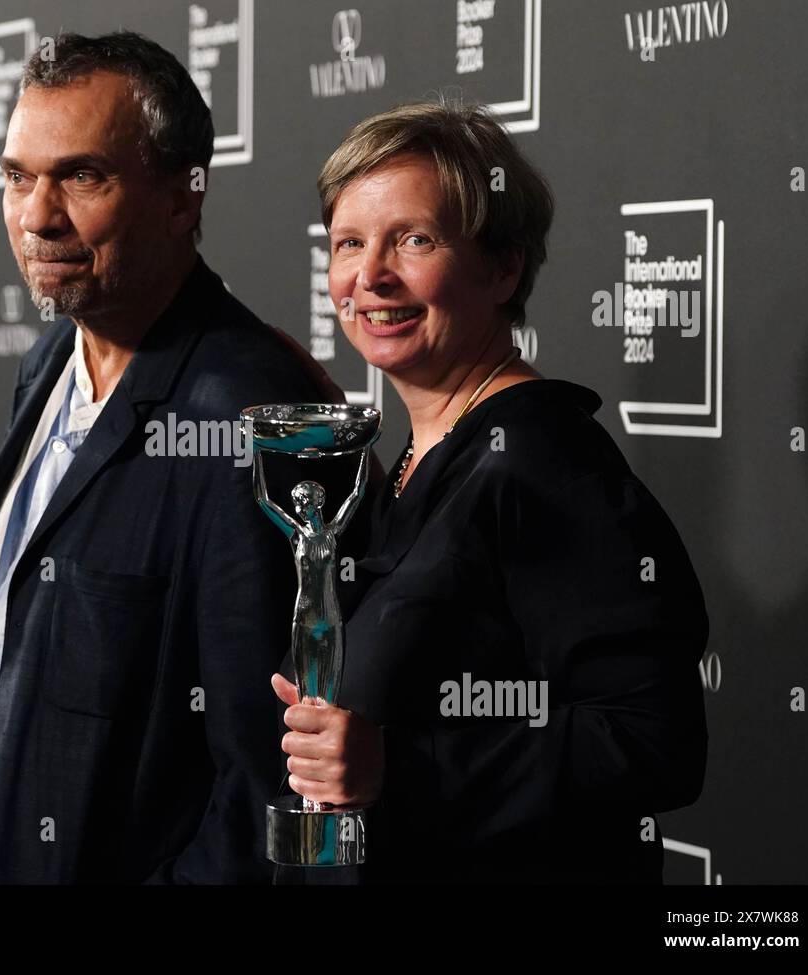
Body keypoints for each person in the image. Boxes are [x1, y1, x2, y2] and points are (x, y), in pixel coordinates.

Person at [0, 30, 334, 884]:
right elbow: (56, 705)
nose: (37, 216)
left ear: (182, 196)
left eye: (81, 177)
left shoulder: (242, 416)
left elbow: (271, 796)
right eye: (17, 177)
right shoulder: (49, 363)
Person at [272, 98, 709, 882]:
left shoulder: (541, 459)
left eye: (414, 239)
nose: (369, 275)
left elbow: (655, 740)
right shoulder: (421, 460)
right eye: (349, 243)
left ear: (503, 267)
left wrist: (397, 764)